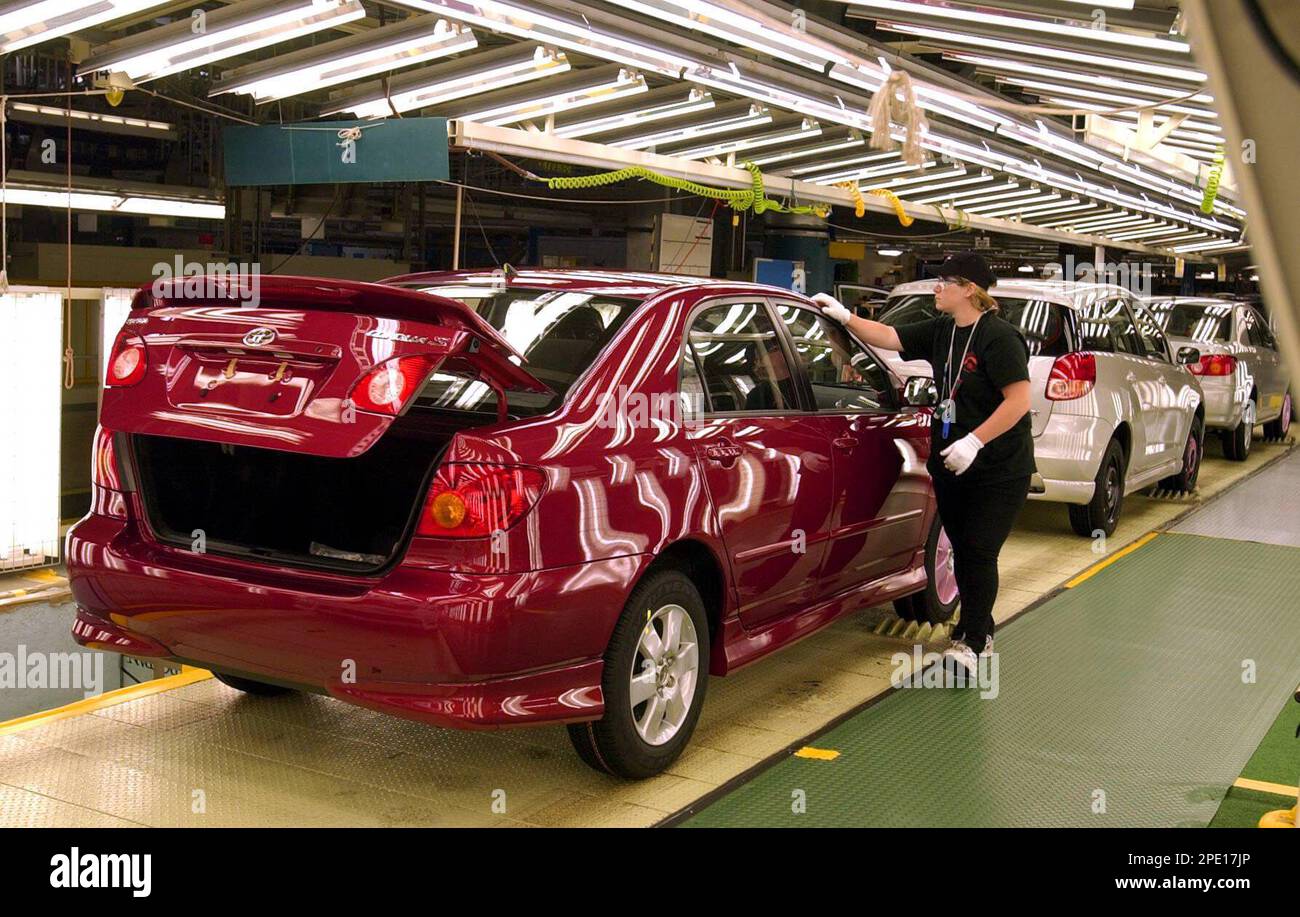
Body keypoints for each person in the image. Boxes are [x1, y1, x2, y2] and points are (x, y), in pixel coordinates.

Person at [812, 251, 1034, 680]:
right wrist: (845, 318)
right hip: (951, 464)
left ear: (969, 289)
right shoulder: (943, 331)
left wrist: (975, 440)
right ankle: (980, 629)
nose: (936, 287)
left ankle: (970, 642)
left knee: (979, 550)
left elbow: (1019, 401)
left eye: (944, 281)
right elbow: (890, 336)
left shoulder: (999, 338)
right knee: (964, 553)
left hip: (998, 468)